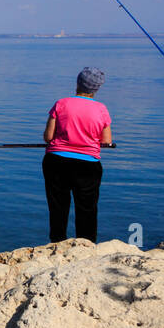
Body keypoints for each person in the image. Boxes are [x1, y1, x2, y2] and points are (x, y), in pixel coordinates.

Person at [42, 67, 112, 243]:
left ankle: (57, 242)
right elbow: (106, 141)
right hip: (88, 165)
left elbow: (48, 137)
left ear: (78, 82)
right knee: (87, 208)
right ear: (97, 88)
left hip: (56, 161)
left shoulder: (61, 103)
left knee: (58, 206)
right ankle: (86, 244)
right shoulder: (101, 109)